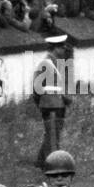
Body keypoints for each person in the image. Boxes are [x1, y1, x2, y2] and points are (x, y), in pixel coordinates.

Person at [32, 34, 71, 166]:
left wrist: (65, 98)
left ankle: (41, 162)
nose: (64, 50)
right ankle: (51, 163)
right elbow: (37, 87)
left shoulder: (55, 62)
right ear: (55, 48)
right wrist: (40, 103)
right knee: (52, 135)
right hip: (50, 105)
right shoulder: (47, 63)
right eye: (62, 47)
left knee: (52, 133)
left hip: (56, 104)